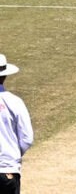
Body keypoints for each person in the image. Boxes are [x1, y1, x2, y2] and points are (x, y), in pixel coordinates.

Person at [0, 54, 33, 194]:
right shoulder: (15, 102)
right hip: (8, 169)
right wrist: (13, 153)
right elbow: (27, 138)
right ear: (5, 76)